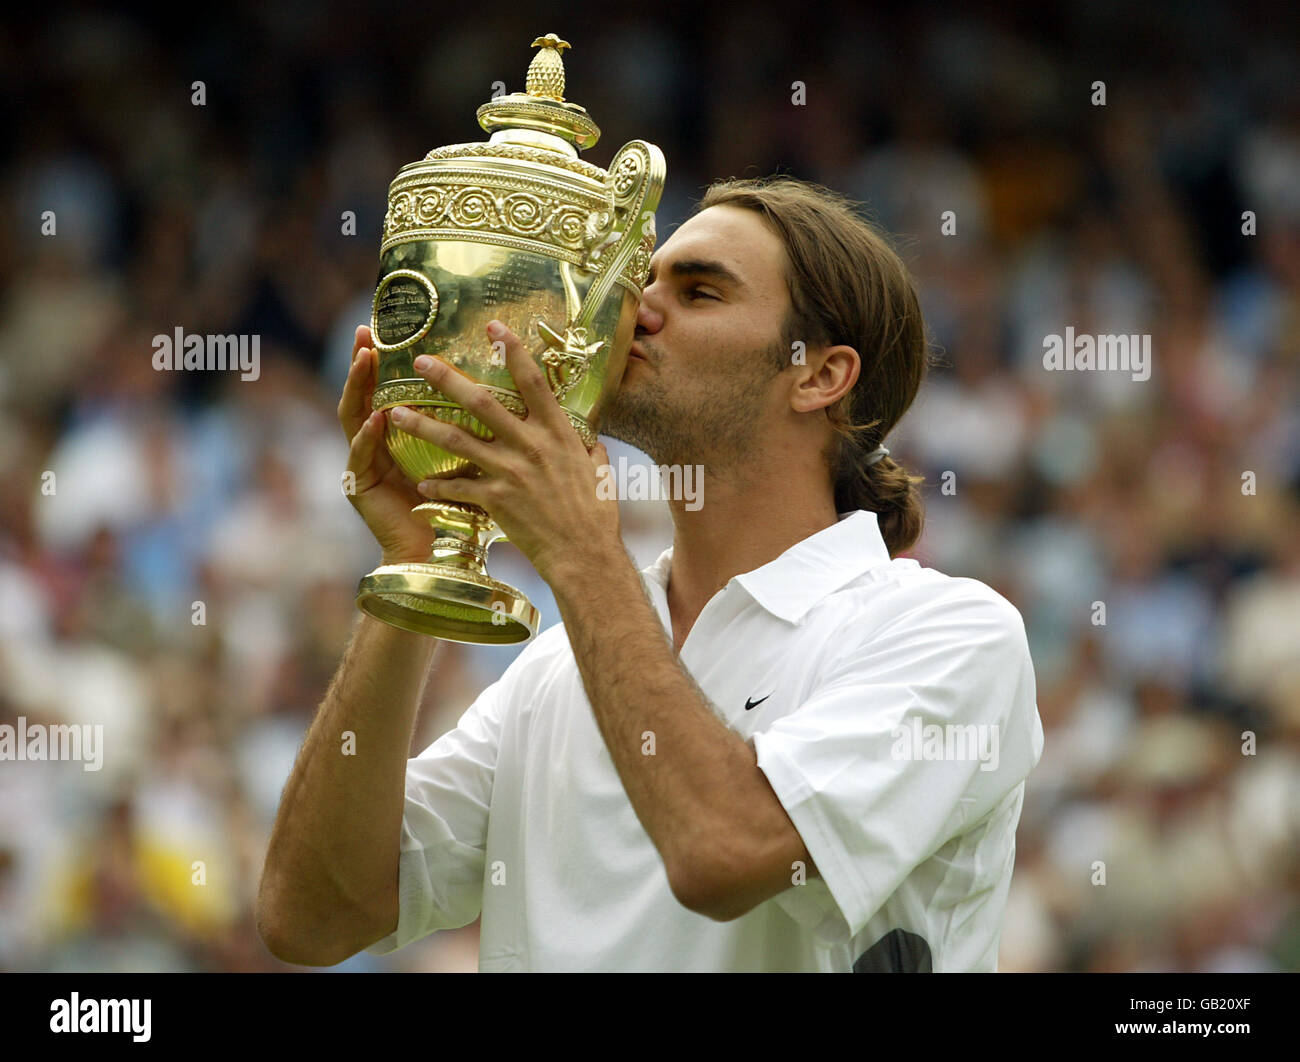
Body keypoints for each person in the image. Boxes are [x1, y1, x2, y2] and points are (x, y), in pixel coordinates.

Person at [256, 176, 1044, 972]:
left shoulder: (949, 633)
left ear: (819, 375)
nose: (636, 311)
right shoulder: (559, 670)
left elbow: (723, 852)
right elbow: (310, 916)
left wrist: (579, 551)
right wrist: (420, 568)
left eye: (700, 292)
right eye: (643, 282)